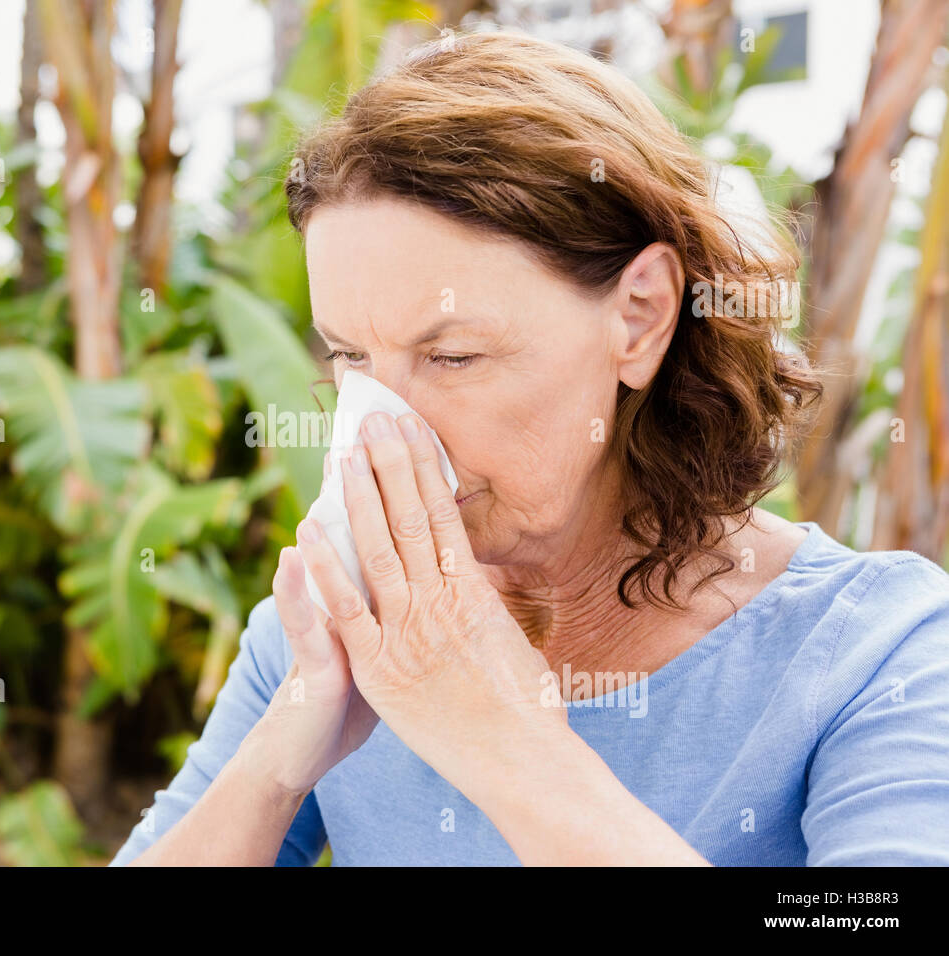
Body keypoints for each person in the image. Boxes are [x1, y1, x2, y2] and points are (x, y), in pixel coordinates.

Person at [109, 29, 949, 866]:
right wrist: (274, 772)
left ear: (641, 315)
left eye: (453, 357)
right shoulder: (332, 627)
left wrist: (503, 740)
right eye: (352, 358)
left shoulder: (879, 651)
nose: (384, 428)